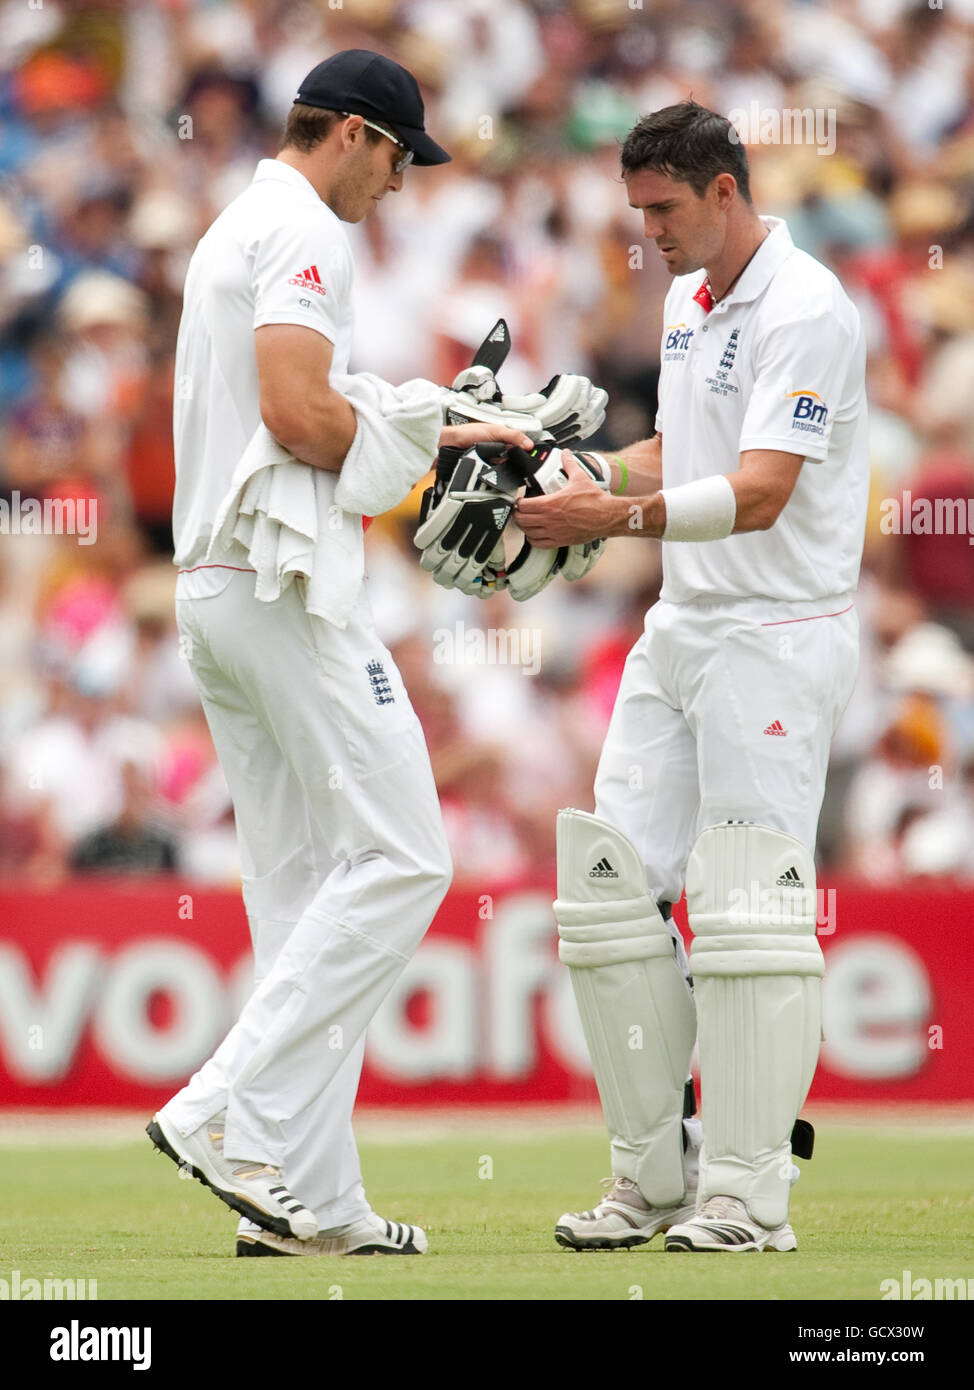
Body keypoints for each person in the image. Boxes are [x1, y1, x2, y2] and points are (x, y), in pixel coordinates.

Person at [146, 50, 561, 1258]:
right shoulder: (305, 232)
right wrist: (430, 468)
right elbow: (295, 408)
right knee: (405, 857)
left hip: (219, 590)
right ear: (355, 137)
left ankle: (310, 1203)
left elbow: (310, 401)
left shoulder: (245, 220)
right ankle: (220, 1109)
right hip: (282, 591)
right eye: (396, 158)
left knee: (298, 895)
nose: (399, 184)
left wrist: (435, 417)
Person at [515, 101, 868, 1252]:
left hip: (775, 627)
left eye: (662, 209)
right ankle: (648, 1175)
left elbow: (760, 489)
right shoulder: (685, 299)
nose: (646, 231)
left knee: (747, 904)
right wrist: (572, 471)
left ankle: (747, 1195)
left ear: (723, 190)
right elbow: (685, 451)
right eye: (636, 210)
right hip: (683, 621)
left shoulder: (806, 305)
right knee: (608, 888)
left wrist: (610, 514)